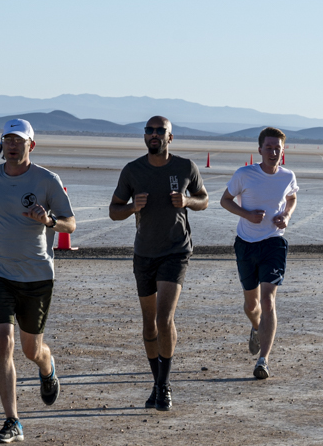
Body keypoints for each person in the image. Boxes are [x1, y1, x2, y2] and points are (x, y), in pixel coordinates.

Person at [0, 119, 76, 443]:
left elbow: (70, 224)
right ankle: (13, 420)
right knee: (3, 342)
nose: (12, 145)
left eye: (18, 140)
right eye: (7, 139)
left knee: (30, 349)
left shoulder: (47, 180)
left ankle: (47, 365)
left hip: (36, 275)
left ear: (30, 146)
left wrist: (48, 220)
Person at [109, 116, 208, 411]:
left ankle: (164, 386)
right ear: (145, 136)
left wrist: (187, 202)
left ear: (170, 137)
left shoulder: (185, 167)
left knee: (165, 319)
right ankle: (156, 383)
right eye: (149, 131)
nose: (154, 135)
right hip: (144, 254)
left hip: (175, 251)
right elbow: (114, 211)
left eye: (160, 131)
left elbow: (203, 199)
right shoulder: (133, 170)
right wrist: (131, 207)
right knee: (149, 325)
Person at [219, 128, 298, 380]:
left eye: (278, 148)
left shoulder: (287, 176)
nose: (274, 152)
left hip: (274, 243)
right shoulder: (245, 174)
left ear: (283, 151)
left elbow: (291, 197)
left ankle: (263, 360)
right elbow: (225, 200)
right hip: (246, 243)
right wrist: (248, 215)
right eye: (269, 147)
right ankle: (256, 326)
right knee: (252, 305)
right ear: (260, 149)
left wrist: (286, 215)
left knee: (268, 301)